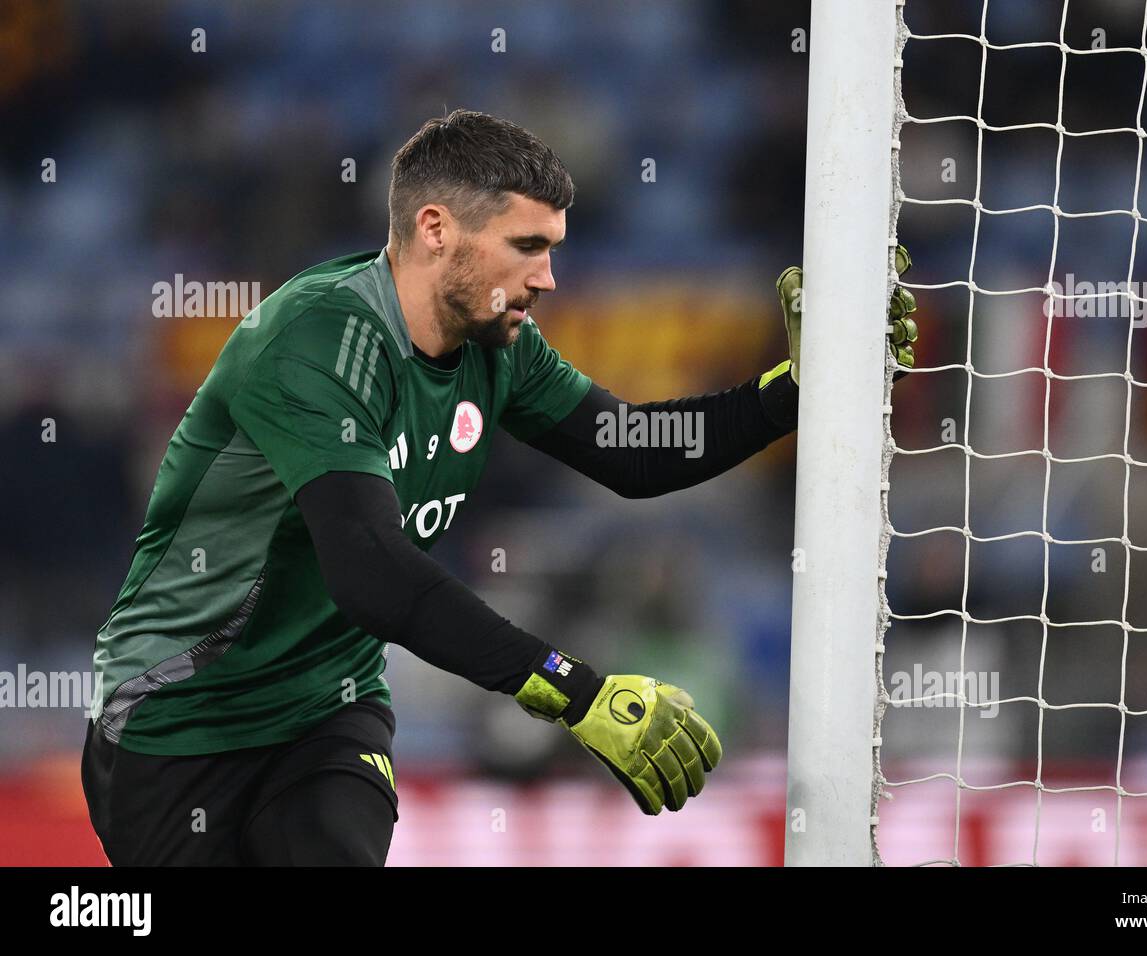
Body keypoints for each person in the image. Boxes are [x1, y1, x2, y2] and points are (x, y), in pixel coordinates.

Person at [81, 109, 919, 866]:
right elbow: (371, 567)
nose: (548, 277)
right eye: (528, 247)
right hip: (179, 723)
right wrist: (574, 690)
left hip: (325, 712)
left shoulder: (499, 345)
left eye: (552, 248)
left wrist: (793, 393)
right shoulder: (316, 341)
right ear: (436, 229)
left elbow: (630, 449)